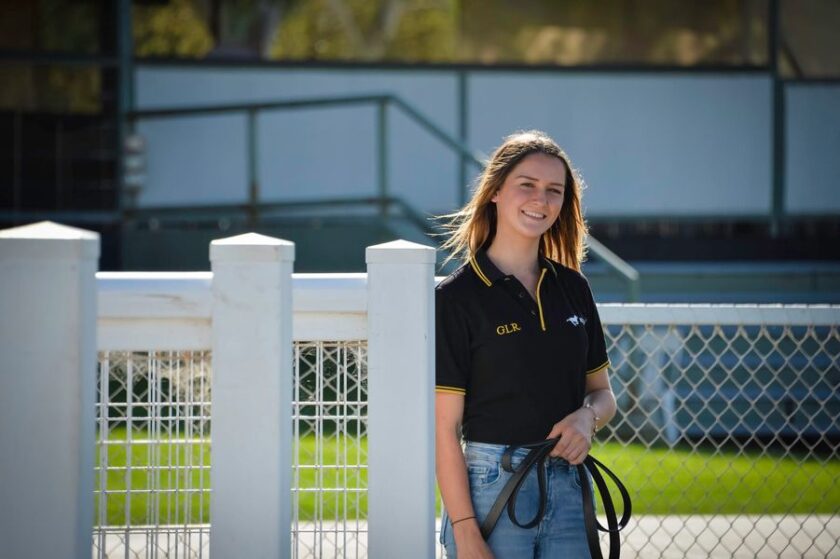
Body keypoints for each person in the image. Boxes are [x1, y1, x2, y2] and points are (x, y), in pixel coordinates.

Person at [435, 130, 617, 558]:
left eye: (554, 190)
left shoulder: (573, 287)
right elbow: (444, 430)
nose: (541, 199)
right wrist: (465, 531)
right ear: (496, 191)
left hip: (571, 484)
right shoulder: (456, 298)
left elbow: (604, 394)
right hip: (489, 488)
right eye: (527, 185)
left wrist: (585, 420)